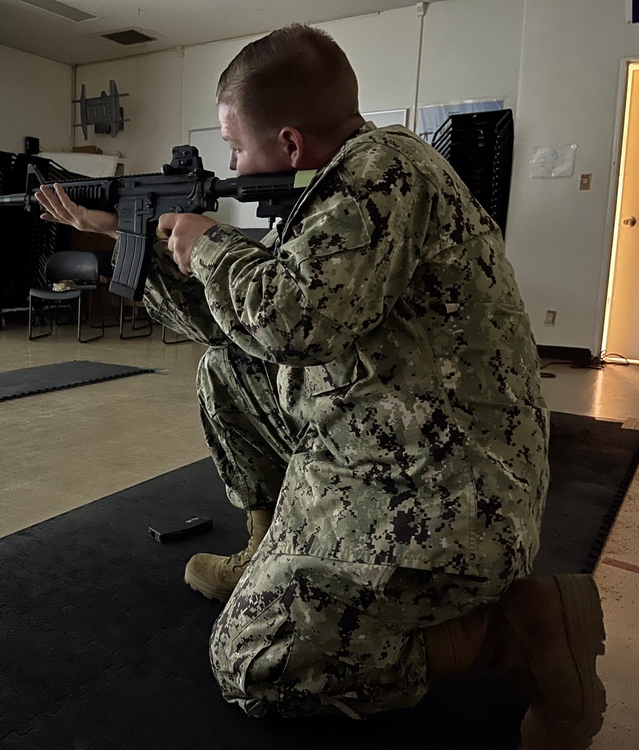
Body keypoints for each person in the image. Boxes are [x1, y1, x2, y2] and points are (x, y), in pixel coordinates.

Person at [35, 24, 605, 749]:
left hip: (449, 487)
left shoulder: (384, 173)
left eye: (236, 147)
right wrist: (128, 235)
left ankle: (511, 636)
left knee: (251, 663)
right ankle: (268, 538)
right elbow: (234, 330)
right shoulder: (338, 190)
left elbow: (290, 323)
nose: (233, 163)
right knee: (226, 370)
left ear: (292, 144)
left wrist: (209, 241)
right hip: (393, 432)